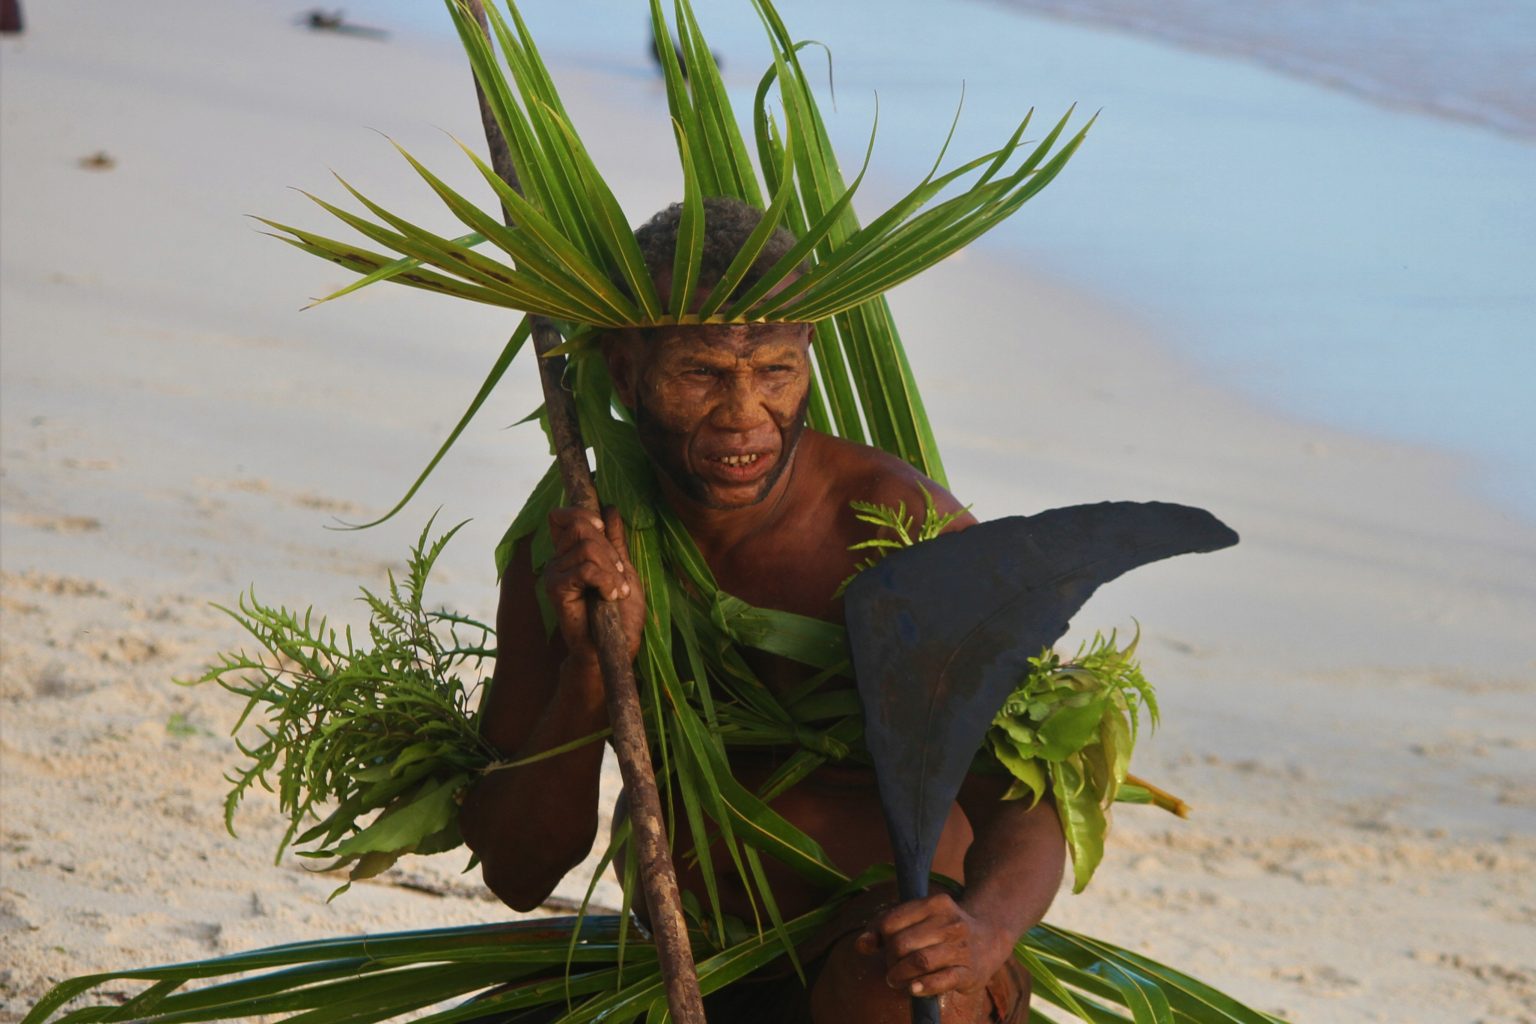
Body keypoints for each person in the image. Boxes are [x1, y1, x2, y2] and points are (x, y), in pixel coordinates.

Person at [459, 198, 1066, 1023]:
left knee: (898, 980)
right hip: (692, 968)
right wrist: (593, 673)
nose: (745, 415)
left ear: (809, 353)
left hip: (895, 970)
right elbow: (517, 870)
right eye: (703, 373)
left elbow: (1022, 796)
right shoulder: (576, 557)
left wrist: (984, 929)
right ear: (625, 369)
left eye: (774, 371)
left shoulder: (901, 534)